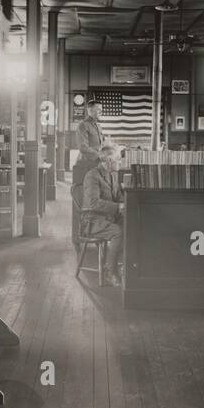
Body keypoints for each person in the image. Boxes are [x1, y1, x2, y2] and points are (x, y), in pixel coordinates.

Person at [81, 144, 125, 286]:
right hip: (93, 221)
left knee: (132, 225)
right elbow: (93, 203)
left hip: (109, 218)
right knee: (118, 233)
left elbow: (119, 197)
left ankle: (118, 266)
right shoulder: (92, 176)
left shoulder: (113, 174)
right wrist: (118, 207)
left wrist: (126, 204)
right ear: (110, 161)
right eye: (119, 159)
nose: (120, 162)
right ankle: (110, 270)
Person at [71, 99, 105, 249]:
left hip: (97, 167)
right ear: (89, 110)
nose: (100, 112)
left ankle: (95, 233)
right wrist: (99, 156)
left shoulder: (98, 125)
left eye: (101, 110)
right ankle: (77, 237)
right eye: (98, 110)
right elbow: (83, 147)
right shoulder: (83, 126)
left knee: (95, 202)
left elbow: (101, 145)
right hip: (85, 168)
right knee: (82, 203)